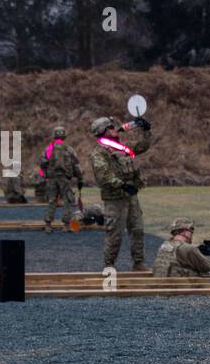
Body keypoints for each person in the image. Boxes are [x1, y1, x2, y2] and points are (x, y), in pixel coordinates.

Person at [89, 114, 152, 271]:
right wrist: (122, 185)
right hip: (115, 198)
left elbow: (141, 146)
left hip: (130, 196)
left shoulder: (120, 147)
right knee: (114, 233)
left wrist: (145, 130)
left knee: (137, 229)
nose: (114, 128)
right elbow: (103, 175)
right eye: (110, 127)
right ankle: (109, 265)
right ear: (103, 131)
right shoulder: (99, 152)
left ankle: (139, 263)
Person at [41, 126, 83, 232]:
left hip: (52, 179)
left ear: (54, 135)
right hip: (65, 179)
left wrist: (45, 176)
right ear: (64, 135)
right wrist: (80, 178)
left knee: (52, 201)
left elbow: (42, 164)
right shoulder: (69, 149)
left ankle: (48, 225)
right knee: (67, 201)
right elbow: (76, 165)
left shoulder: (48, 148)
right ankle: (65, 225)